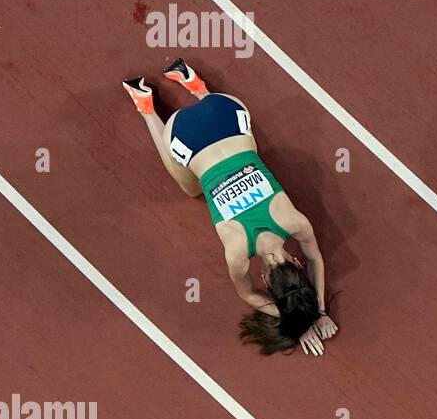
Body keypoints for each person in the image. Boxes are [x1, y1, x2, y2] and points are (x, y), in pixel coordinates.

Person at [121, 58, 338, 354]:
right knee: (190, 188)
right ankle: (145, 105)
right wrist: (298, 320)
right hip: (181, 131)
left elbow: (316, 260)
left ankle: (196, 86)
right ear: (264, 278)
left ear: (296, 263)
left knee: (250, 151)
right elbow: (249, 295)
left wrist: (319, 311)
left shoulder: (294, 222)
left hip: (227, 109)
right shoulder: (237, 253)